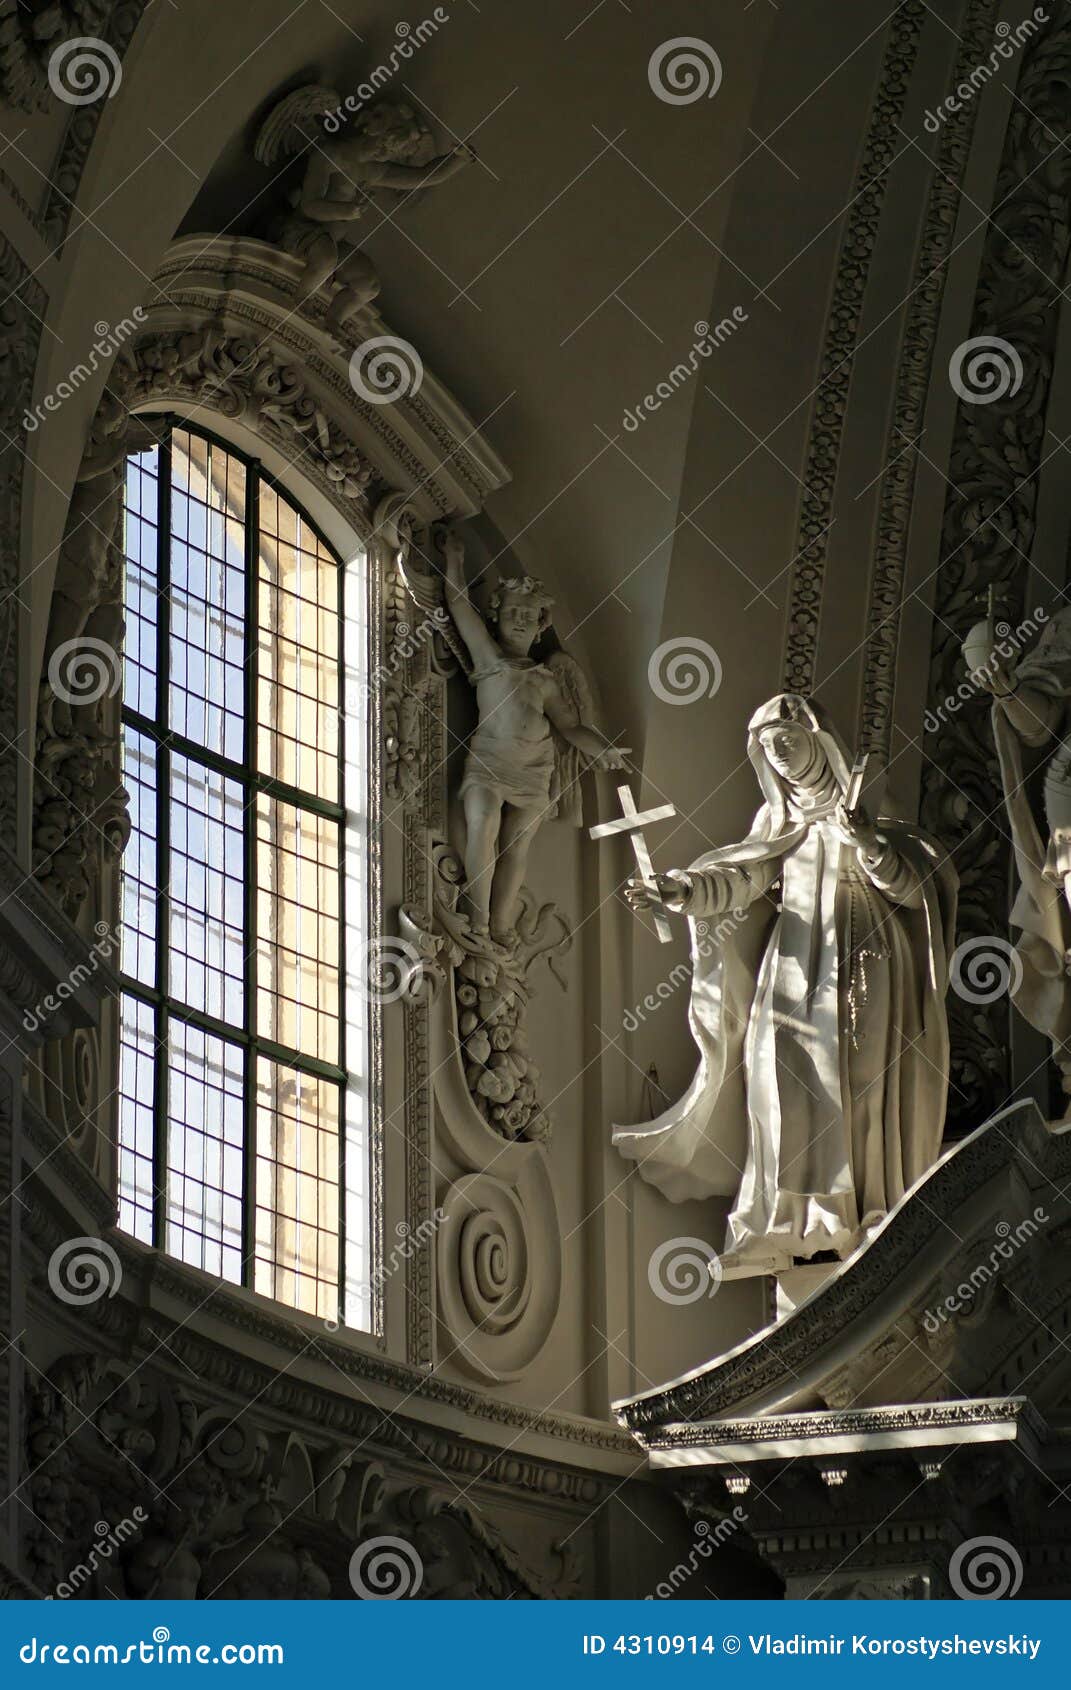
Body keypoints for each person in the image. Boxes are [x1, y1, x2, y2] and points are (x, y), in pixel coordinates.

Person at [616, 693, 958, 1275]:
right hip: (795, 967)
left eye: (790, 743)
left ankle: (870, 1207)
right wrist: (682, 892)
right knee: (779, 1077)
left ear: (818, 742)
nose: (784, 758)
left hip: (866, 956)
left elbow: (912, 891)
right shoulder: (780, 825)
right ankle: (790, 1218)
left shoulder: (869, 815)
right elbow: (738, 876)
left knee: (858, 1076)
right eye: (772, 752)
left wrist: (868, 843)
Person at [442, 532, 627, 943]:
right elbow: (457, 604)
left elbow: (570, 726)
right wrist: (454, 559)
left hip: (534, 767)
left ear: (541, 623)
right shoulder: (488, 658)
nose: (521, 619)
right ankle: (478, 917)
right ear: (496, 615)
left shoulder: (545, 680)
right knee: (483, 822)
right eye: (513, 612)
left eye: (529, 613)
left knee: (516, 845)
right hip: (490, 759)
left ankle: (502, 924)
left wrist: (602, 750)